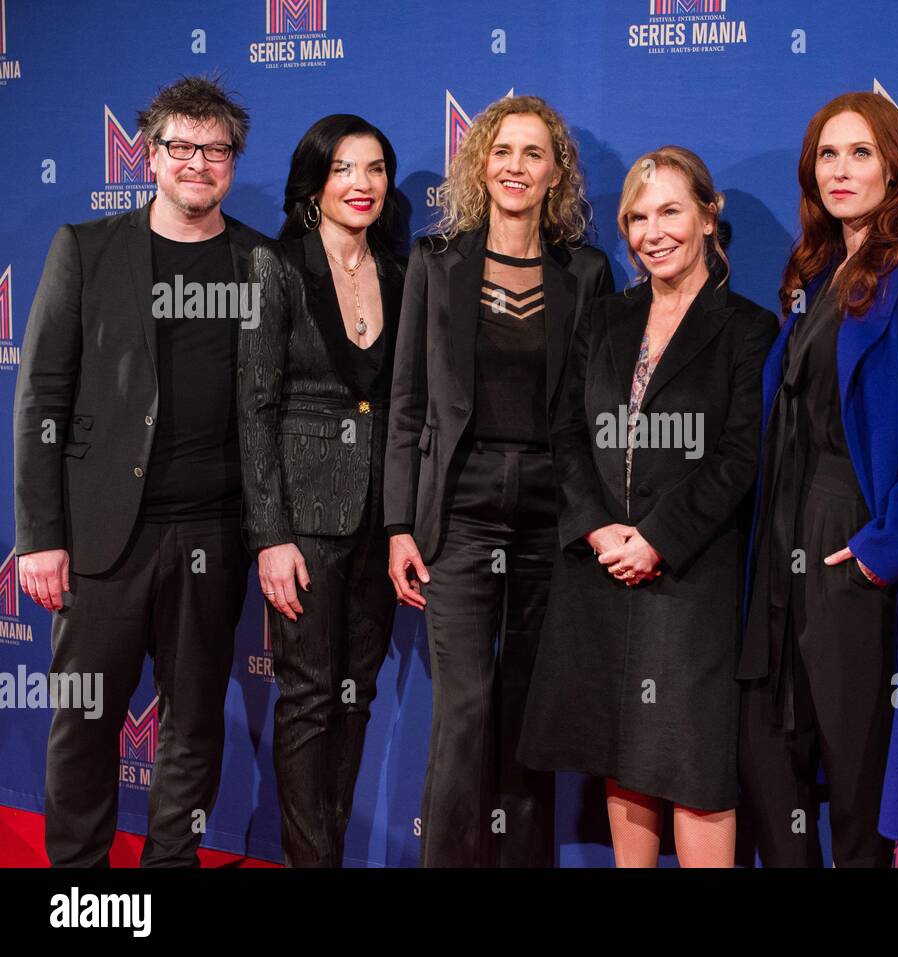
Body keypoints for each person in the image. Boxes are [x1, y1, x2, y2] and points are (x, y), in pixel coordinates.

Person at [13, 76, 266, 867]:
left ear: (231, 161)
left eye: (214, 149)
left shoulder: (259, 261)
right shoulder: (85, 248)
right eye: (180, 147)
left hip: (213, 534)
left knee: (193, 724)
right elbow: (40, 397)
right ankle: (83, 885)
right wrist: (41, 536)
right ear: (148, 155)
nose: (198, 162)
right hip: (99, 537)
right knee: (85, 722)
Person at [737, 92, 898, 868]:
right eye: (827, 155)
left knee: (861, 782)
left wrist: (887, 545)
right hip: (779, 544)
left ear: (897, 170)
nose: (840, 170)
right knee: (775, 764)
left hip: (854, 550)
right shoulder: (812, 279)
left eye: (861, 153)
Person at [518, 146, 777, 868]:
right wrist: (601, 528)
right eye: (637, 215)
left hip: (689, 577)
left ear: (707, 216)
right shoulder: (604, 318)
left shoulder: (748, 329)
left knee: (691, 764)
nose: (651, 231)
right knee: (622, 753)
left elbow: (739, 457)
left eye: (670, 211)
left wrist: (657, 538)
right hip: (600, 570)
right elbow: (565, 431)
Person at [385, 94, 612, 867]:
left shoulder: (587, 271)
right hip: (462, 505)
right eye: (503, 151)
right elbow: (408, 401)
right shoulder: (436, 259)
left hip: (552, 509)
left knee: (529, 708)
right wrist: (398, 525)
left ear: (557, 174)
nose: (516, 166)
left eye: (534, 154)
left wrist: (591, 520)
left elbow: (595, 410)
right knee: (465, 707)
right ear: (483, 163)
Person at [238, 114, 405, 867]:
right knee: (308, 700)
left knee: (354, 696)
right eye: (345, 168)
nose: (362, 184)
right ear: (314, 183)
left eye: (375, 169)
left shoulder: (400, 276)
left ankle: (329, 853)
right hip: (302, 523)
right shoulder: (272, 268)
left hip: (378, 519)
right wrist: (269, 536)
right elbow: (254, 405)